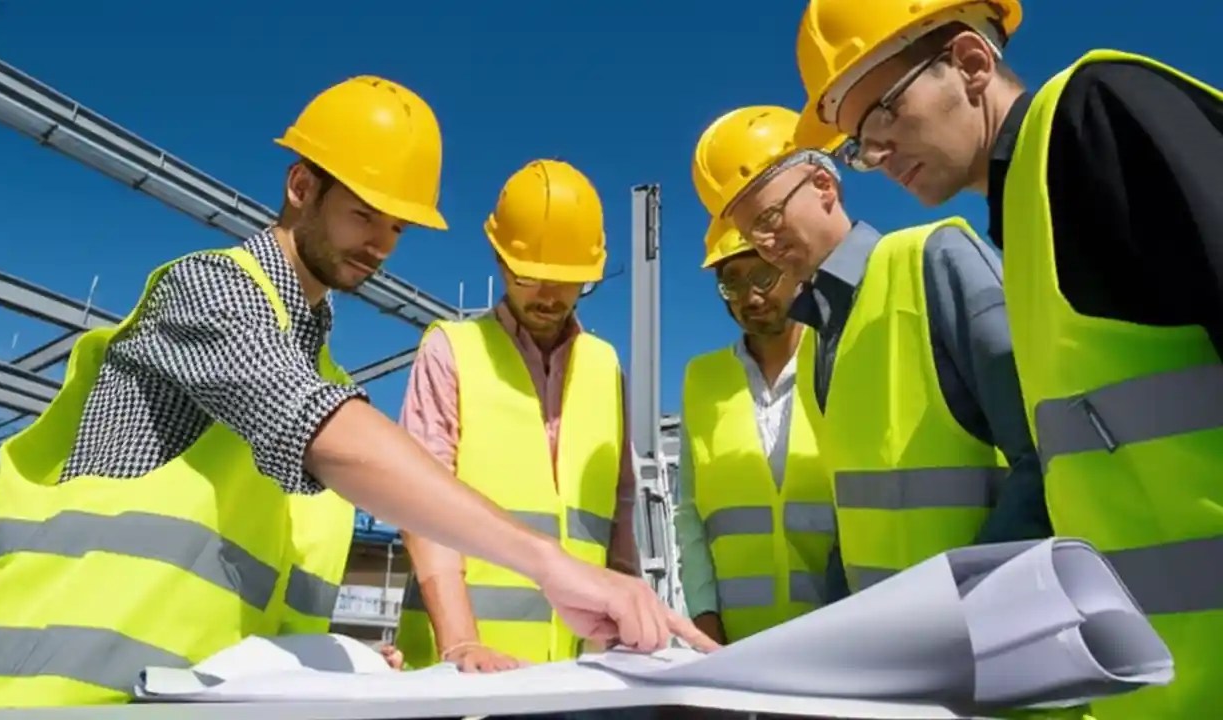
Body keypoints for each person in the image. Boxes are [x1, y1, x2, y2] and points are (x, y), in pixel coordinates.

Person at [0, 77, 714, 718]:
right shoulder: (209, 292)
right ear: (300, 186)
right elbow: (321, 430)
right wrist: (546, 564)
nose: (380, 244)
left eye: (397, 227)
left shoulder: (332, 380)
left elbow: (244, 579)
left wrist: (322, 656)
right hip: (41, 694)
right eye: (363, 215)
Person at [787, 1, 1222, 716]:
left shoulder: (1097, 115)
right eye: (861, 142)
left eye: (886, 114)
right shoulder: (1024, 232)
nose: (878, 153)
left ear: (970, 63)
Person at [693, 104, 1049, 603]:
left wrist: (969, 606)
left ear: (823, 185)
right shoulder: (817, 337)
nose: (767, 244)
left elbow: (1050, 454)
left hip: (979, 643)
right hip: (892, 651)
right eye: (753, 232)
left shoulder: (935, 260)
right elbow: (853, 521)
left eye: (770, 216)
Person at [393, 158, 642, 675]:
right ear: (501, 260)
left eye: (569, 281)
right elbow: (419, 504)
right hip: (460, 670)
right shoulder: (450, 350)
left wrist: (628, 641)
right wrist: (461, 645)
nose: (550, 296)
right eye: (531, 278)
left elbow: (619, 518)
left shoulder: (606, 365)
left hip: (579, 673)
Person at [676, 154, 835, 647]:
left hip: (841, 634)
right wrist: (705, 620)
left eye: (761, 275)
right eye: (732, 282)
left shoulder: (838, 354)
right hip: (737, 647)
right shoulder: (702, 379)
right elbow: (690, 517)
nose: (749, 296)